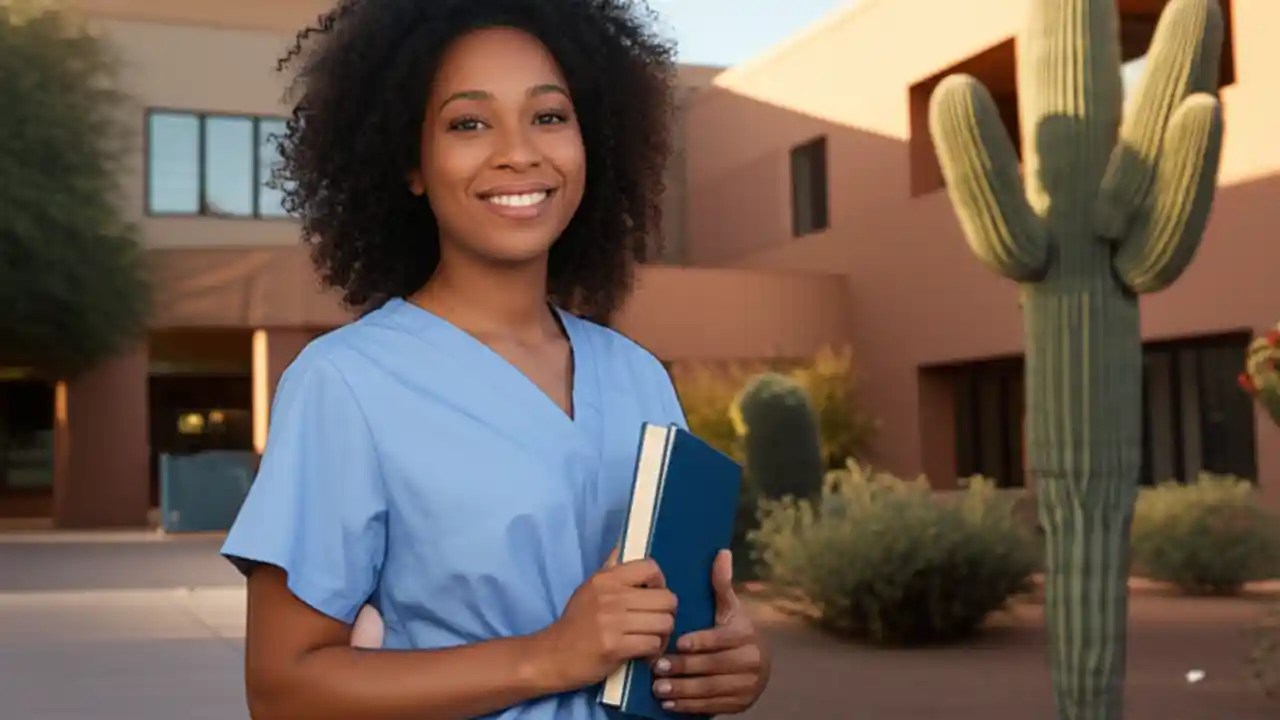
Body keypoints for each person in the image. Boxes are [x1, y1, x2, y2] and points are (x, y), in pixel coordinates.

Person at [218, 1, 771, 718]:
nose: (519, 151)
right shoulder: (346, 385)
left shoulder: (637, 375)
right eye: (468, 123)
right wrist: (547, 655)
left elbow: (674, 626)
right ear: (412, 164)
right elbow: (283, 690)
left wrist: (725, 665)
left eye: (549, 116)